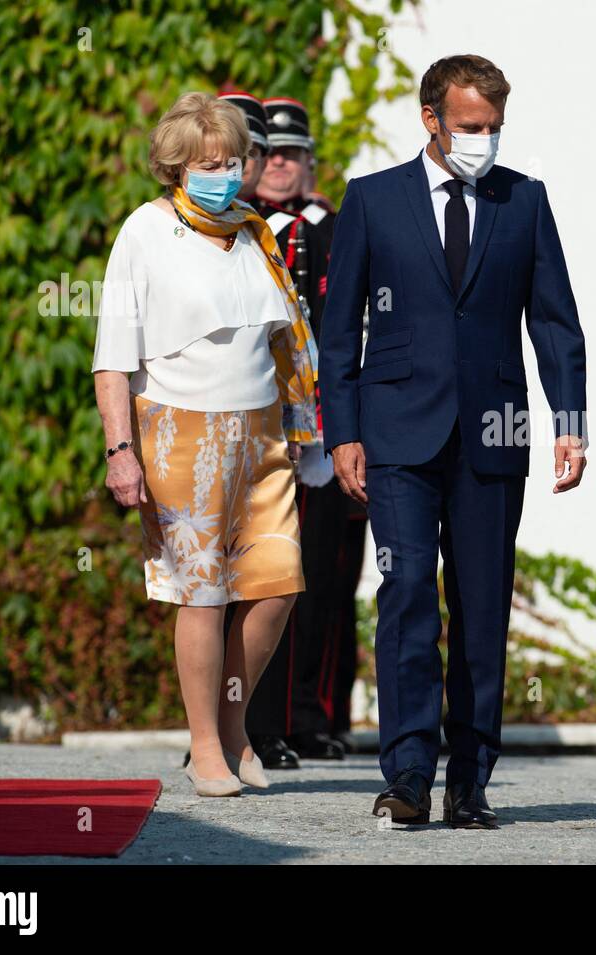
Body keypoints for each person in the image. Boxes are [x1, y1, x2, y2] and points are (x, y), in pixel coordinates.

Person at [319, 54, 588, 829]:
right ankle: (407, 772)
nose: (485, 141)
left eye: (495, 129)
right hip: (397, 433)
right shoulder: (373, 199)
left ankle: (470, 780)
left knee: (482, 606)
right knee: (406, 596)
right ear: (431, 119)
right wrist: (344, 435)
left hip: (493, 436)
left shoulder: (524, 201)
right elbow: (339, 336)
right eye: (471, 127)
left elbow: (555, 322)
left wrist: (569, 421)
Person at [91, 91, 319, 796]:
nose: (224, 173)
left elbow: (286, 337)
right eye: (208, 163)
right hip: (181, 432)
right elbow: (112, 357)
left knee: (276, 586)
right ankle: (205, 746)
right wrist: (119, 450)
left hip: (261, 432)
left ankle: (230, 724)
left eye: (231, 160)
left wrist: (306, 424)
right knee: (204, 594)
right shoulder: (145, 231)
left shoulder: (253, 231)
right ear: (175, 167)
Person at [228, 94, 364, 769]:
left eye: (290, 154)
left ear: (310, 162)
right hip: (252, 416)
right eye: (267, 153)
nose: (278, 165)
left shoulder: (333, 227)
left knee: (327, 577)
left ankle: (311, 714)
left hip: (325, 421)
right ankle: (255, 724)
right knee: (255, 580)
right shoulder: (237, 228)